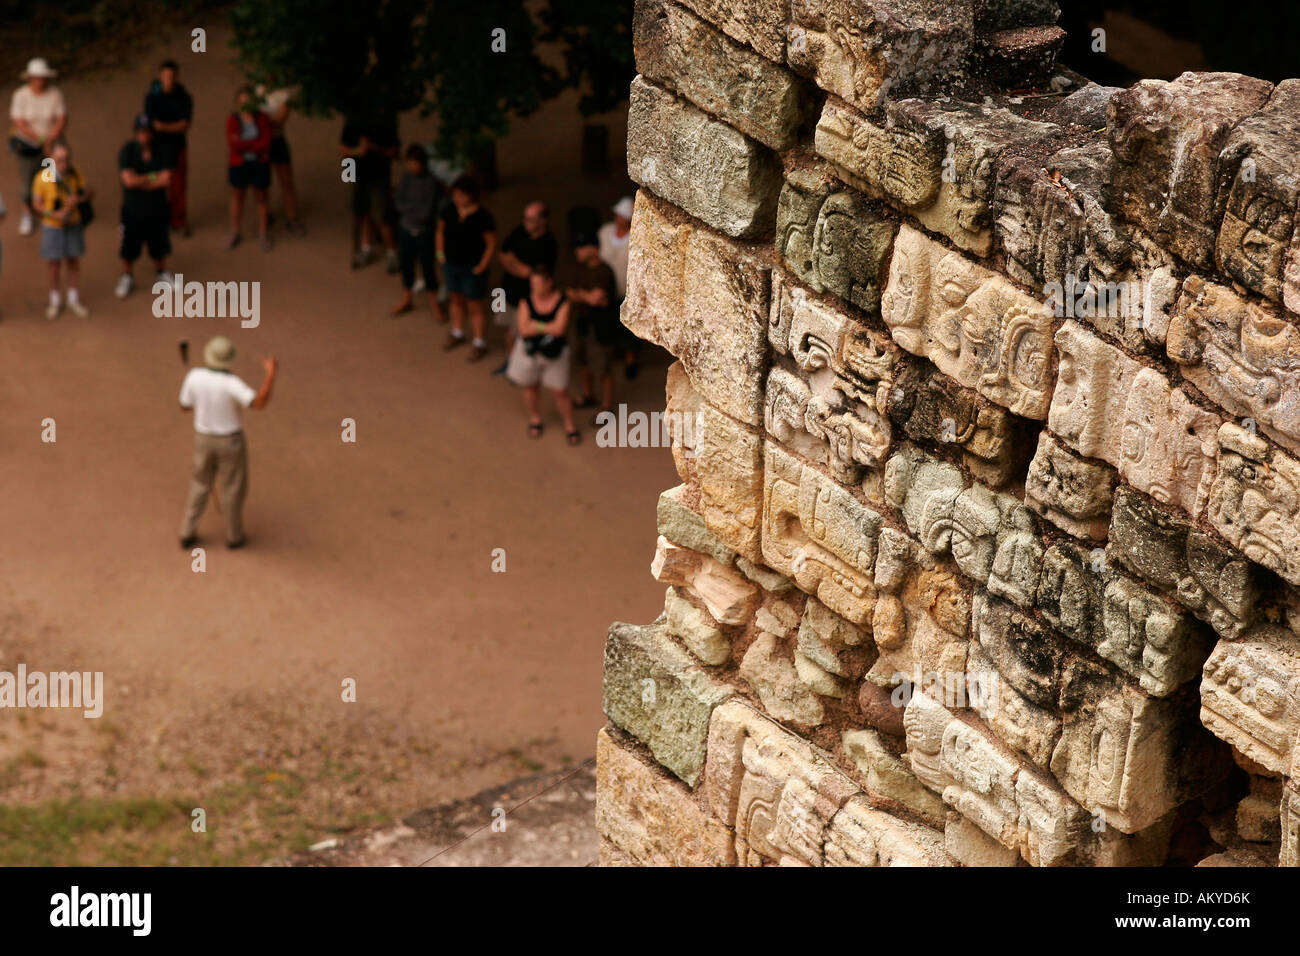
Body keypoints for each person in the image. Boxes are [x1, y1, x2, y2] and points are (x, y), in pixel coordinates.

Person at [178, 336, 277, 550]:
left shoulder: (194, 376)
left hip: (203, 439)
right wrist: (271, 374)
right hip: (230, 442)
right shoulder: (232, 383)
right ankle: (234, 536)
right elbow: (258, 403)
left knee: (199, 485)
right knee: (232, 489)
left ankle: (187, 531)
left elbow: (184, 406)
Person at [506, 265, 579, 445]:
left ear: (549, 283)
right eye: (532, 284)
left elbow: (560, 329)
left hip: (556, 354)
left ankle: (570, 425)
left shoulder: (563, 301)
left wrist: (535, 325)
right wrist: (548, 327)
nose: (534, 288)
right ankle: (535, 419)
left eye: (537, 284)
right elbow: (523, 330)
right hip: (530, 353)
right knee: (530, 387)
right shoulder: (526, 301)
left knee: (560, 391)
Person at [437, 174, 496, 361]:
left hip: (472, 268)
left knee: (475, 305)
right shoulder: (449, 210)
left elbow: (491, 244)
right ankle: (457, 332)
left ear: (471, 195)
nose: (457, 198)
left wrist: (482, 266)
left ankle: (480, 342)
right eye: (455, 194)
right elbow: (440, 232)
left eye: (461, 195)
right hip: (451, 265)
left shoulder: (483, 217)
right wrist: (440, 254)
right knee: (455, 299)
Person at [494, 201, 557, 376]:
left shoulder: (548, 244)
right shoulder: (519, 231)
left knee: (525, 333)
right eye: (525, 218)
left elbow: (529, 274)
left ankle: (523, 370)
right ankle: (510, 363)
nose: (526, 222)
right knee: (508, 330)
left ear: (543, 221)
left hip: (528, 300)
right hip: (506, 293)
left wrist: (513, 262)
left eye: (531, 219)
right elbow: (502, 255)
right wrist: (516, 265)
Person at [30, 140, 91, 318]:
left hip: (73, 224)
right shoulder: (42, 178)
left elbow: (88, 191)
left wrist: (78, 199)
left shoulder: (75, 175)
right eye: (59, 160)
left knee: (73, 262)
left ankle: (73, 299)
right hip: (53, 227)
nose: (63, 164)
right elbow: (36, 204)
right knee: (54, 265)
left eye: (65, 159)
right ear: (51, 159)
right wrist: (54, 214)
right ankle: (55, 301)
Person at [115, 114, 173, 299]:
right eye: (141, 131)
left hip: (157, 208)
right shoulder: (128, 151)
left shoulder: (162, 150)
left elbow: (166, 179)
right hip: (133, 209)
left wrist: (142, 180)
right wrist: (153, 177)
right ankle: (127, 276)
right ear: (136, 132)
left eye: (147, 131)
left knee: (159, 244)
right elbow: (128, 181)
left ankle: (161, 273)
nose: (144, 135)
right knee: (129, 247)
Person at [9, 57, 67, 237]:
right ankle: (28, 212)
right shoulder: (20, 95)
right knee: (28, 181)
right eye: (37, 77)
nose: (40, 80)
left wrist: (51, 139)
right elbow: (19, 123)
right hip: (28, 146)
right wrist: (42, 139)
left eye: (43, 77)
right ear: (30, 78)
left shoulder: (55, 94)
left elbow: (62, 118)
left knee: (50, 176)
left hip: (51, 144)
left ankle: (48, 210)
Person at [567, 235, 620, 419]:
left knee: (603, 366)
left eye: (582, 247)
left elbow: (597, 299)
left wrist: (581, 295)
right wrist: (586, 296)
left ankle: (607, 406)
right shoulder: (579, 269)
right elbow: (570, 292)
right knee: (583, 361)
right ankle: (589, 395)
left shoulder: (604, 271)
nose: (577, 251)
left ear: (594, 249)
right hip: (582, 324)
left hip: (601, 327)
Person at [339, 115, 399, 272]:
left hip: (379, 177)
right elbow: (344, 150)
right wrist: (357, 153)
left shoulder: (385, 124)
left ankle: (392, 251)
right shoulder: (351, 123)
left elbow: (394, 152)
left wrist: (374, 148)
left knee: (382, 216)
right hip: (358, 176)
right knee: (363, 213)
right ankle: (367, 248)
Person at [390, 144, 442, 320]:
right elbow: (398, 202)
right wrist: (410, 210)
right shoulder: (406, 179)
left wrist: (410, 210)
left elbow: (427, 212)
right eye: (409, 163)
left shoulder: (432, 183)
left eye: (415, 163)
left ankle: (434, 303)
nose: (412, 166)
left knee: (427, 267)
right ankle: (407, 298)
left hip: (424, 231)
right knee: (406, 264)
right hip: (406, 229)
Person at [143, 60, 193, 236]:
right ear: (160, 76)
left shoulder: (184, 97)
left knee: (178, 186)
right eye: (165, 76)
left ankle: (178, 220)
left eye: (172, 76)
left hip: (177, 147)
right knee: (156, 183)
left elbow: (184, 125)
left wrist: (164, 127)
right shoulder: (152, 97)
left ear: (176, 77)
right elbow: (151, 125)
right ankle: (158, 220)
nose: (169, 79)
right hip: (158, 148)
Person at [225, 85, 273, 251]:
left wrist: (246, 145)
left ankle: (263, 233)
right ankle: (235, 232)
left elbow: (266, 142)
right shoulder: (233, 120)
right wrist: (254, 145)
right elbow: (234, 144)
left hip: (259, 164)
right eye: (242, 102)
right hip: (239, 164)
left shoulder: (262, 118)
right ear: (238, 103)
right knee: (238, 198)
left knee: (261, 199)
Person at [599, 195, 638, 378]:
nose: (618, 218)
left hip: (626, 289)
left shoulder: (636, 236)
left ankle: (631, 358)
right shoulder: (605, 232)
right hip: (606, 288)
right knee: (609, 321)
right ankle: (615, 353)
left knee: (628, 327)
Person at [259, 82, 304, 236]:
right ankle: (266, 215)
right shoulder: (257, 90)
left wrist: (262, 120)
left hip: (277, 140)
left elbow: (280, 119)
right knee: (262, 182)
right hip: (260, 141)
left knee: (286, 182)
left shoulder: (284, 94)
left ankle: (292, 218)